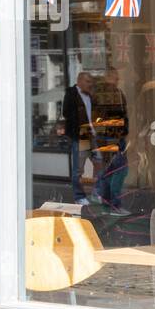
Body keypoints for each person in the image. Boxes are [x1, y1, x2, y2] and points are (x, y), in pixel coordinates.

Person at [91, 69, 130, 214]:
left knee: (111, 169)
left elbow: (123, 114)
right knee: (119, 169)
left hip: (116, 135)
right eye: (115, 78)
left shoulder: (117, 93)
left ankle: (106, 200)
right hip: (109, 136)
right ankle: (113, 203)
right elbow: (100, 117)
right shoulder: (103, 94)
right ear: (108, 78)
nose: (118, 80)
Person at [61, 71, 102, 207]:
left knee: (100, 161)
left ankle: (97, 192)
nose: (90, 84)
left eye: (91, 82)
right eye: (88, 81)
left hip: (92, 134)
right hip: (81, 135)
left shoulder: (90, 95)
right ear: (80, 81)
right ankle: (79, 196)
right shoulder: (71, 93)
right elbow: (66, 113)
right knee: (79, 168)